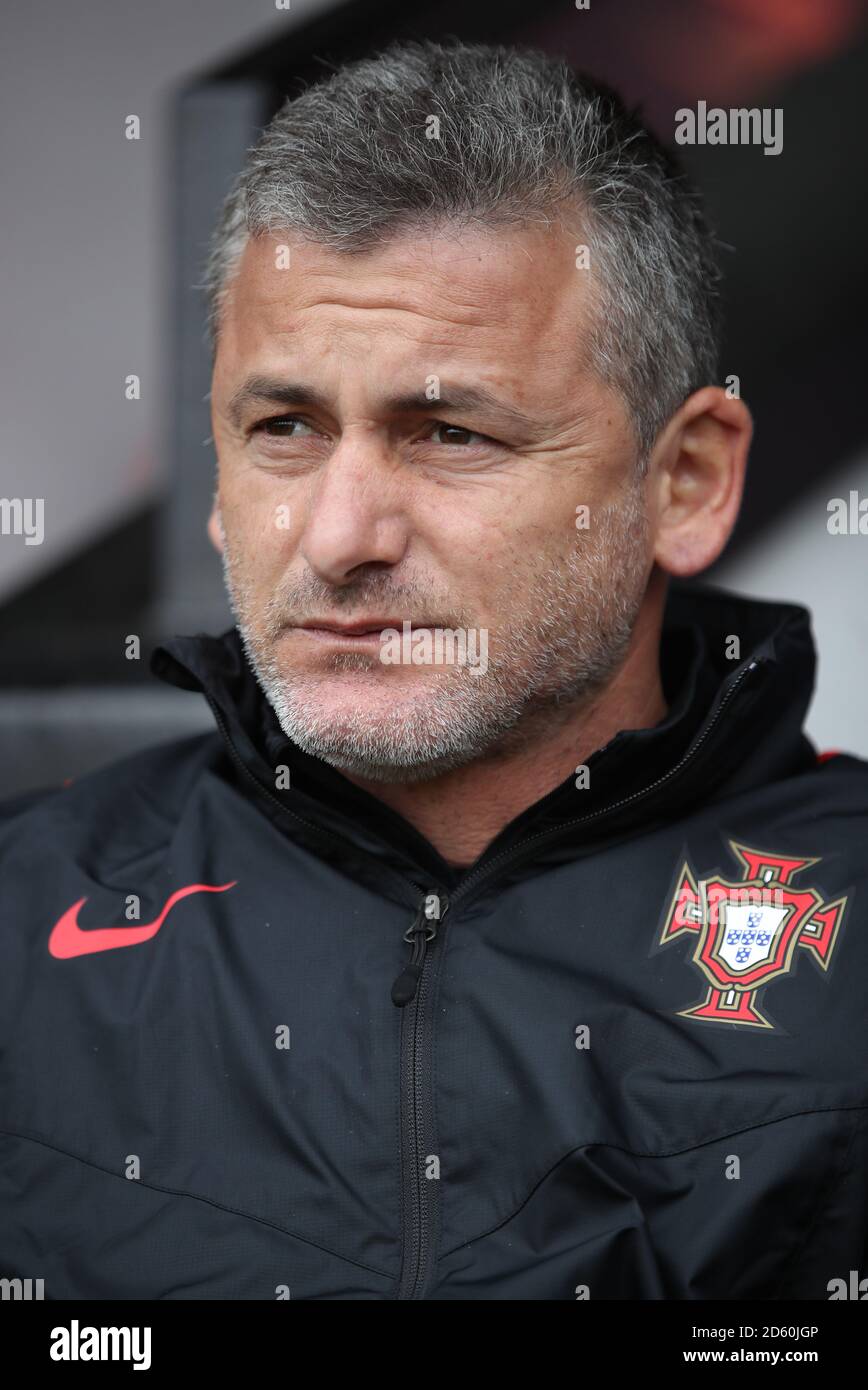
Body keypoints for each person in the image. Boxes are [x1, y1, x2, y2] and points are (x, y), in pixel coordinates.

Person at [1, 38, 866, 1301]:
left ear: (682, 482)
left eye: (450, 432)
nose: (341, 537)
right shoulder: (24, 916)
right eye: (284, 429)